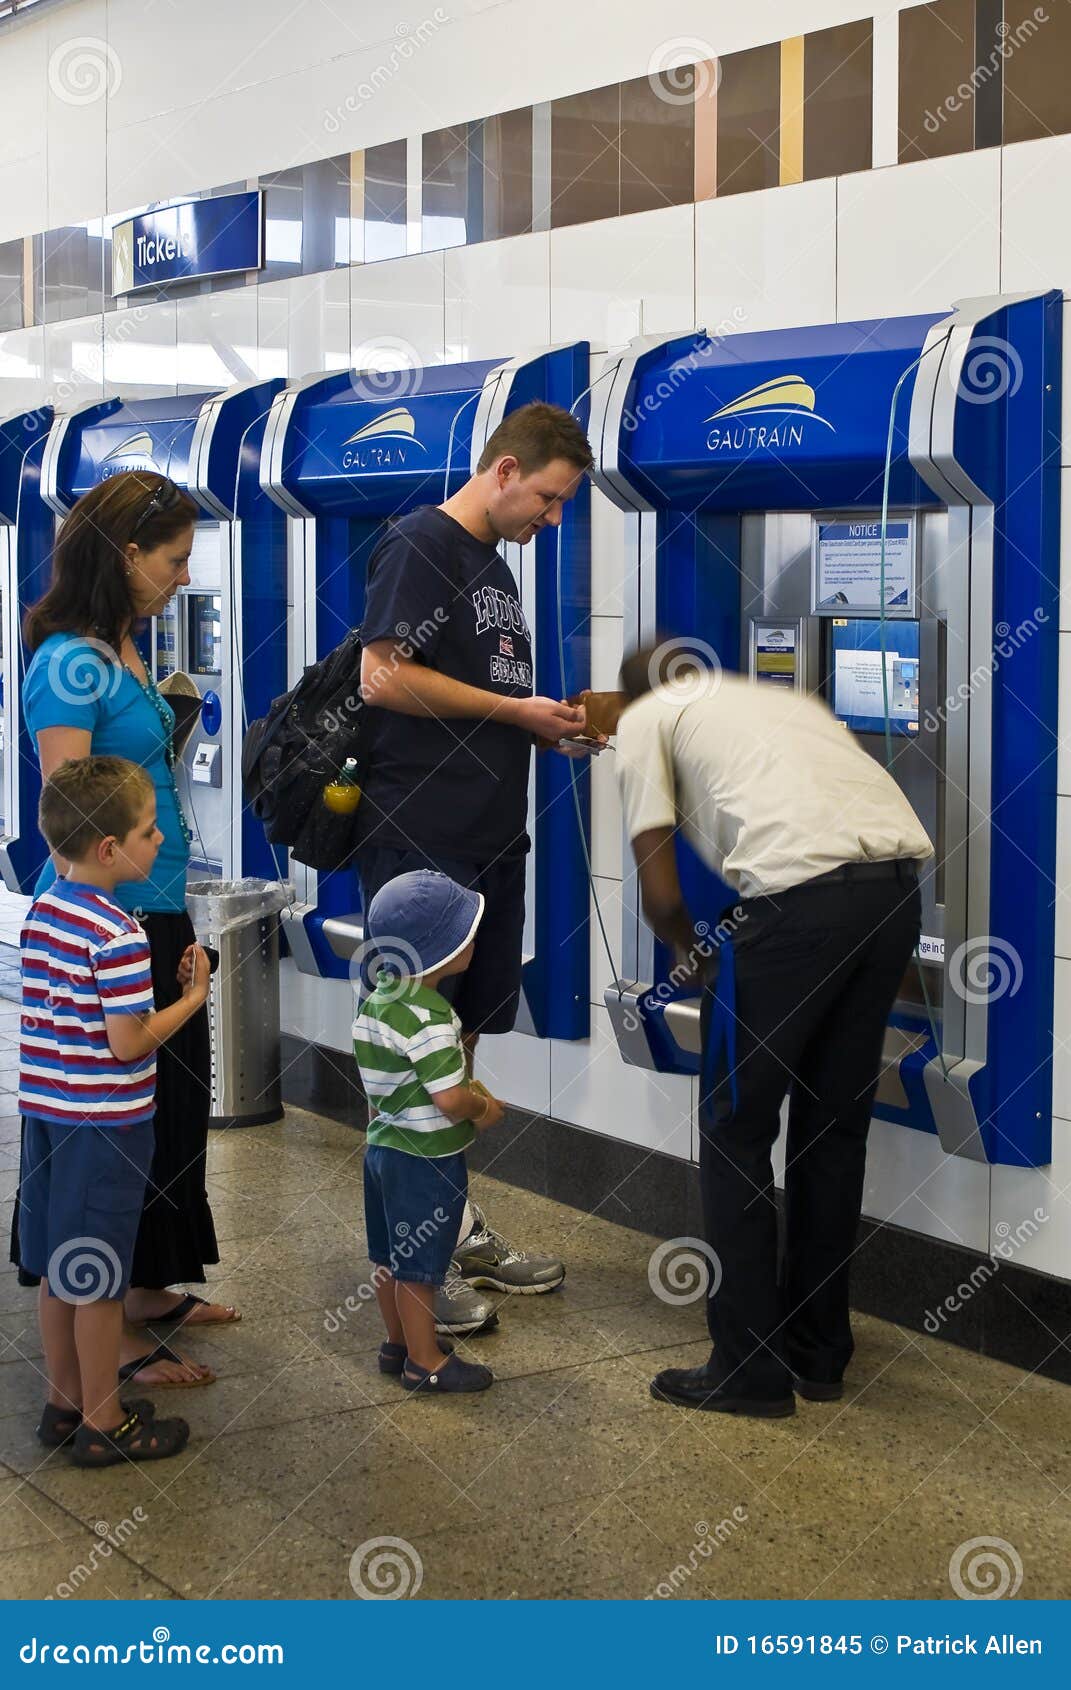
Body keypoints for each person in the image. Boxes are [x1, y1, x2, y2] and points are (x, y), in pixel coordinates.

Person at [608, 643, 933, 1419]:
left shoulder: (645, 719)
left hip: (794, 910)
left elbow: (656, 891)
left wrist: (694, 955)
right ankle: (817, 1356)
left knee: (733, 1129)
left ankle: (747, 1369)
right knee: (832, 1132)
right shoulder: (780, 704)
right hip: (893, 903)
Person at [355, 401, 601, 1334]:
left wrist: (550, 728)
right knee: (414, 1060)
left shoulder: (494, 566)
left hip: (488, 839)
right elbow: (385, 676)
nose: (552, 519)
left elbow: (480, 698)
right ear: (503, 470)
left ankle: (452, 1228)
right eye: (545, 497)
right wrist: (516, 717)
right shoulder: (421, 545)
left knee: (455, 1049)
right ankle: (414, 1277)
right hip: (426, 843)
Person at [13, 469, 241, 1390]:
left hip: (157, 907)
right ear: (126, 554)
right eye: (174, 560)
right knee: (114, 1120)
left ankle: (145, 1287)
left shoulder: (125, 645)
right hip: (112, 923)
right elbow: (67, 808)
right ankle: (111, 1342)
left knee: (170, 1114)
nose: (183, 577)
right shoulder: (70, 660)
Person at [18, 756, 210, 1464]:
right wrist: (189, 1000)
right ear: (109, 850)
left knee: (58, 1268)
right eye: (149, 830)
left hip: (49, 1117)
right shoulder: (120, 936)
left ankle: (63, 1404)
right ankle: (106, 1423)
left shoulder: (45, 913)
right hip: (106, 1127)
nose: (160, 840)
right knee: (98, 1280)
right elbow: (128, 1044)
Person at [355, 871, 505, 1393]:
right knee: (420, 1268)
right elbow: (449, 1098)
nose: (474, 939)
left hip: (382, 1150)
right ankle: (425, 1363)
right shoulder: (433, 1018)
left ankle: (397, 1344)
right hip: (427, 1160)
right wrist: (483, 1107)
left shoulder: (377, 1002)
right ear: (442, 951)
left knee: (389, 1259)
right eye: (466, 932)